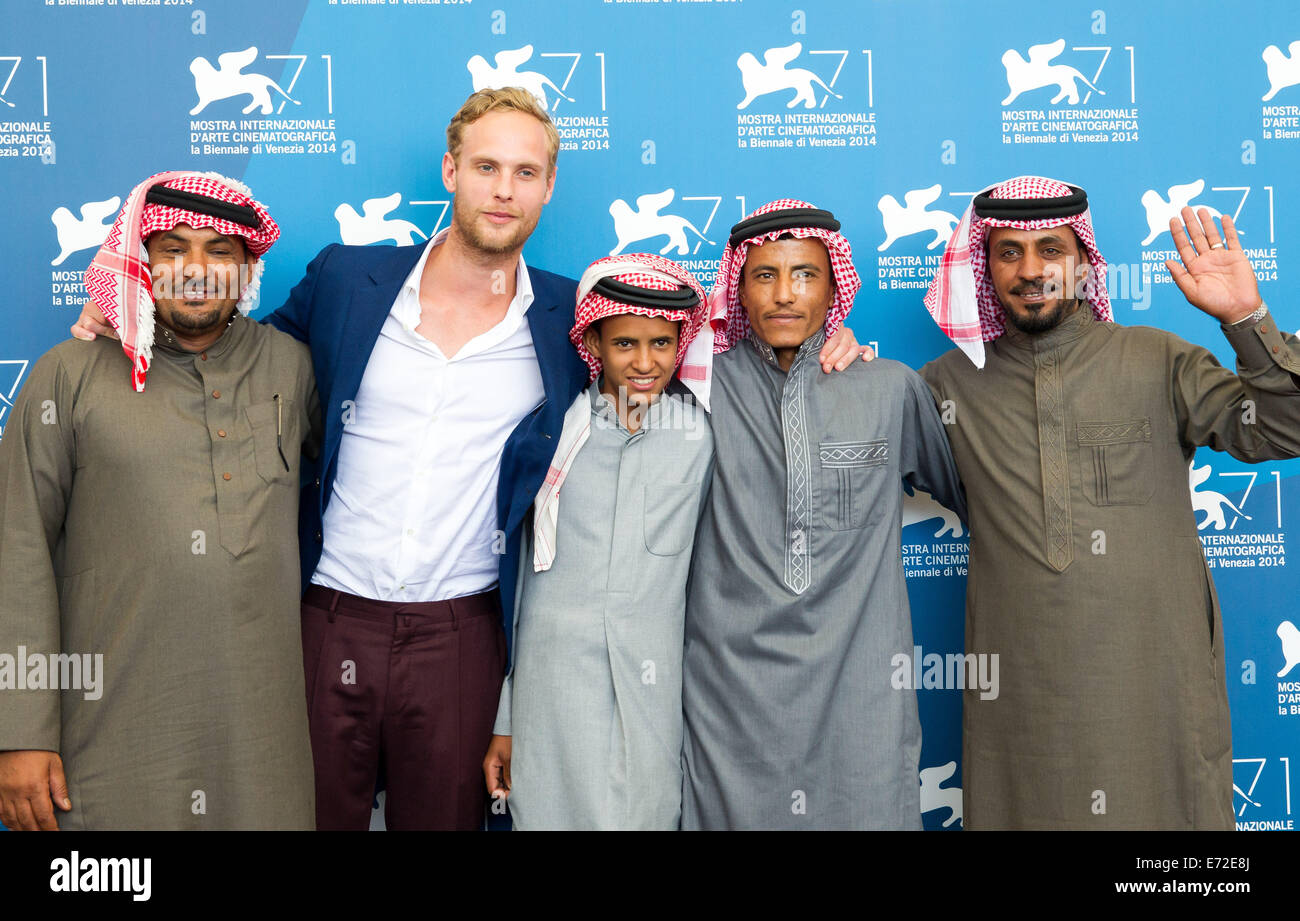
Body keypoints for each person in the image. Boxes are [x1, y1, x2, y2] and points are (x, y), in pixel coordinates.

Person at [68, 94, 866, 831]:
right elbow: (236, 363)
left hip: (464, 638)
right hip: (325, 623)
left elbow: (688, 358)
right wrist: (129, 309)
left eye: (526, 172)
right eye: (486, 166)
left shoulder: (571, 318)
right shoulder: (348, 280)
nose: (503, 189)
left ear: (550, 187)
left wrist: (829, 340)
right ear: (451, 171)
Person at [920, 174, 1300, 829]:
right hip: (1022, 701)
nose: (1031, 269)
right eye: (1009, 252)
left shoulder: (1159, 359)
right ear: (984, 268)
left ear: (1084, 264)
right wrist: (833, 358)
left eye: (1051, 249)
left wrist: (1245, 318)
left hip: (1157, 690)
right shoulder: (946, 386)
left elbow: (1283, 427)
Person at [0, 171, 318, 830]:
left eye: (218, 251)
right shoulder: (70, 374)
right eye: (172, 249)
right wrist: (21, 730)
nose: (195, 270)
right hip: (111, 742)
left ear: (247, 268)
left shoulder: (292, 366)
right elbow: (16, 550)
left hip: (263, 749)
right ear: (140, 262)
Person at [681, 200, 967, 830]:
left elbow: (988, 502)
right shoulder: (695, 389)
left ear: (835, 284)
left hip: (862, 699)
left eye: (806, 275)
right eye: (764, 275)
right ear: (737, 286)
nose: (785, 295)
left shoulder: (888, 387)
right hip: (728, 707)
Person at [483, 253, 715, 830]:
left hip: (654, 692)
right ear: (594, 342)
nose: (644, 362)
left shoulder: (701, 436)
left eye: (662, 343)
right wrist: (505, 717)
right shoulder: (551, 434)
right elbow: (517, 594)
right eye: (624, 344)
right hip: (552, 690)